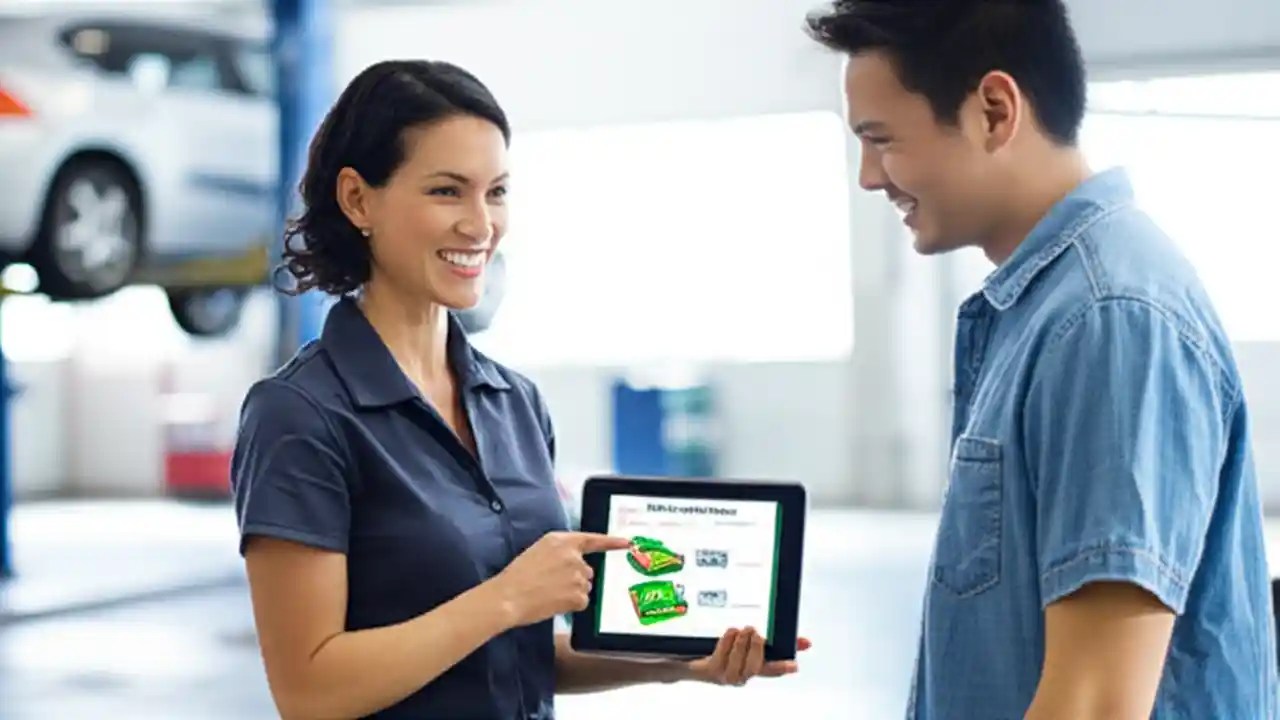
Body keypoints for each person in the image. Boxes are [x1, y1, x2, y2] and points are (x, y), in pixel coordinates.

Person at [230, 59, 809, 720]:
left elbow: (519, 653)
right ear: (359, 199)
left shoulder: (514, 402)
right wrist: (505, 597)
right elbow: (309, 690)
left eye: (496, 191)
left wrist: (677, 663)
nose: (481, 225)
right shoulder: (300, 415)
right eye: (447, 191)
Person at [804, 1, 1277, 718]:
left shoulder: (1109, 319)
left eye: (881, 139)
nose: (870, 177)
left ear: (995, 110)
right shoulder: (1045, 310)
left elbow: (1094, 704)